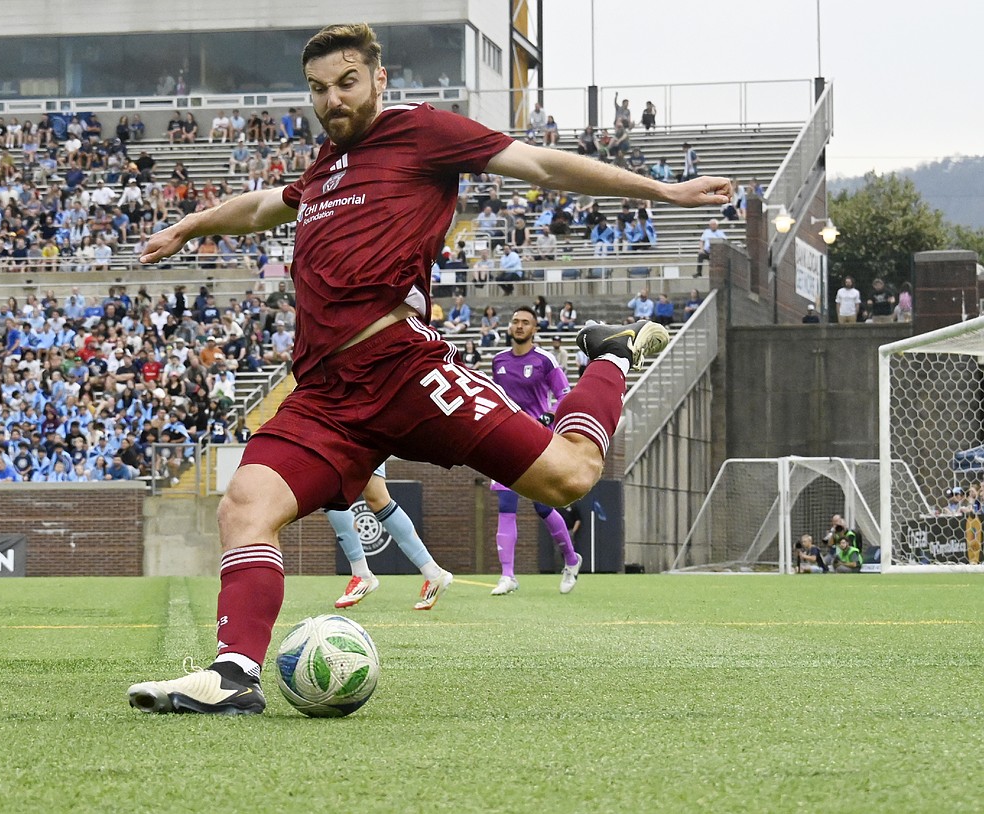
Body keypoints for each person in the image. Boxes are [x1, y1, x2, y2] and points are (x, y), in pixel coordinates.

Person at [126, 22, 730, 716]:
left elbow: (539, 166)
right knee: (245, 508)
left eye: (347, 82)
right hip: (325, 395)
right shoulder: (325, 168)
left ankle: (610, 357)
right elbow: (265, 206)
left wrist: (663, 190)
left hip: (407, 371)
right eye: (319, 89)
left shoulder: (425, 133)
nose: (333, 99)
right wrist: (192, 225)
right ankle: (235, 674)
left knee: (570, 479)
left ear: (379, 80)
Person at [488, 306, 582, 596]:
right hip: (507, 441)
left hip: (539, 441)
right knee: (506, 505)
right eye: (515, 321)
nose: (519, 326)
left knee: (543, 506)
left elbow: (564, 395)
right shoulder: (498, 361)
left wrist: (550, 415)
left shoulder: (545, 360)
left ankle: (571, 559)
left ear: (534, 329)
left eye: (525, 322)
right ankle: (508, 576)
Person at [329, 464, 453, 610]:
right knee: (375, 497)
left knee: (334, 493)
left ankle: (362, 575)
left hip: (353, 441)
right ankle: (432, 572)